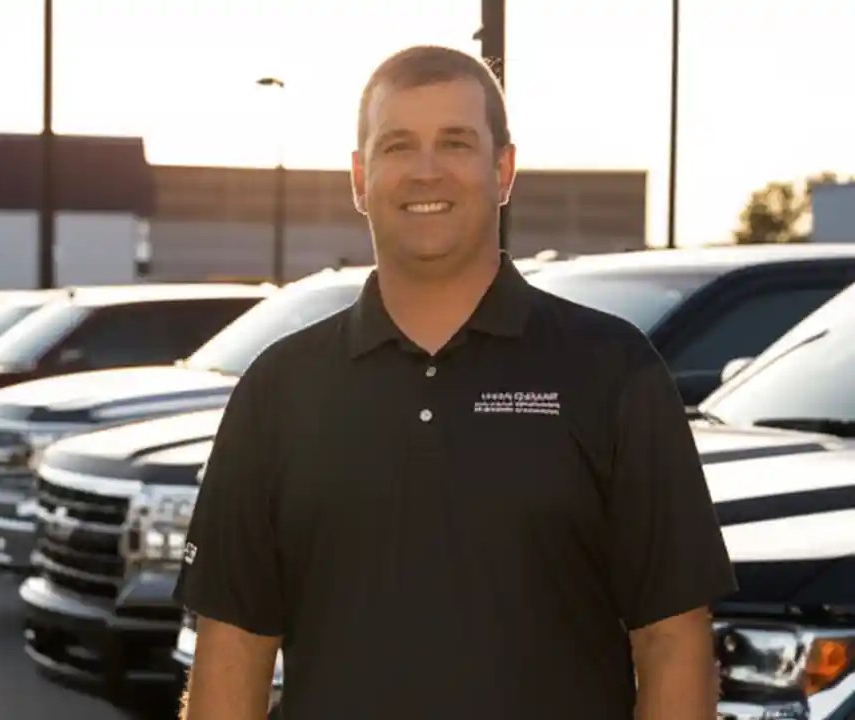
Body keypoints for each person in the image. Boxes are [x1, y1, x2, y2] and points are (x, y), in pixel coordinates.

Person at [174, 45, 737, 719]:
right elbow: (231, 655)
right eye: (397, 146)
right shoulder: (277, 392)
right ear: (359, 178)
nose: (426, 170)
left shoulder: (614, 371)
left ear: (504, 170)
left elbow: (673, 643)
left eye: (455, 142)